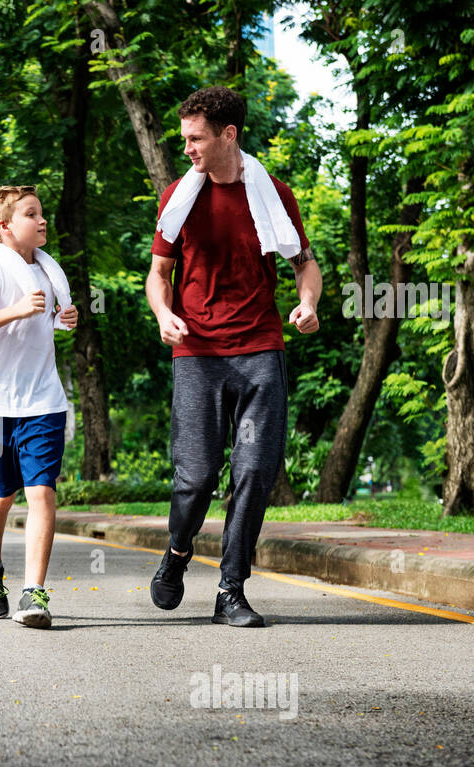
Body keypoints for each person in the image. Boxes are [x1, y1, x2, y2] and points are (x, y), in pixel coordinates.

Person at [145, 86, 322, 627]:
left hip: (259, 349)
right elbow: (159, 275)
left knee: (253, 471)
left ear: (228, 134)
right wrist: (162, 314)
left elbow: (305, 265)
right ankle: (178, 551)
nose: (188, 148)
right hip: (197, 351)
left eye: (196, 138)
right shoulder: (179, 196)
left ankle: (231, 590)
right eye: (184, 139)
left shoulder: (274, 194)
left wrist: (308, 302)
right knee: (195, 476)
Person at [0, 185, 79, 628]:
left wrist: (63, 319)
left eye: (42, 213)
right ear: (5, 227)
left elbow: (43, 329)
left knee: (41, 492)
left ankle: (35, 593)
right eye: (31, 214)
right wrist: (17, 310)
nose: (42, 221)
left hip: (44, 400)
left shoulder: (48, 274)